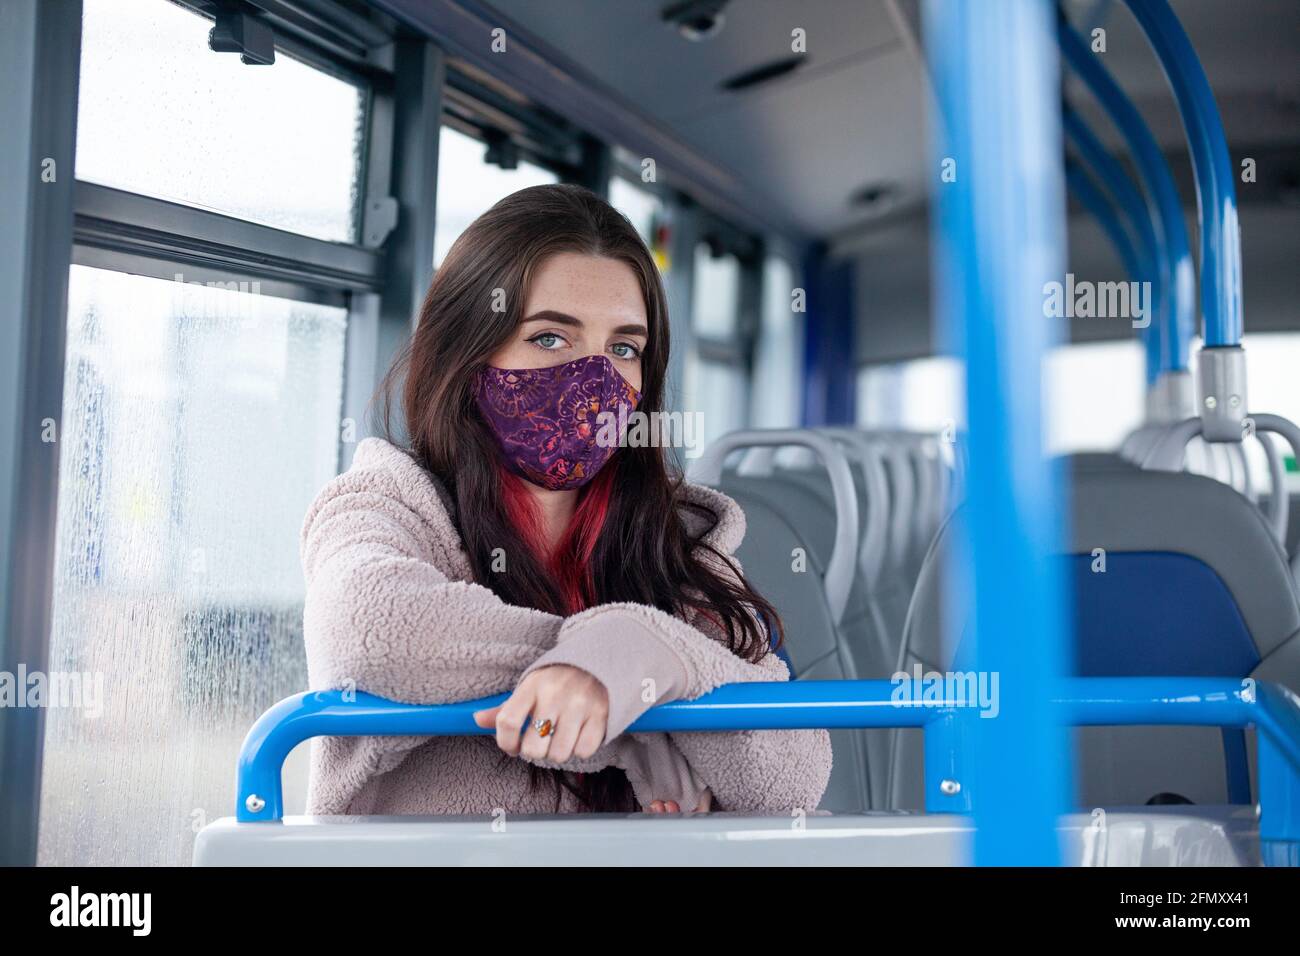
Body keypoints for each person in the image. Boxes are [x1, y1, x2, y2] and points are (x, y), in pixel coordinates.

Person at [301, 183, 832, 816]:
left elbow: (794, 775)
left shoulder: (681, 543)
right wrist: (635, 712)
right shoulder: (388, 505)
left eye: (624, 348)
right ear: (466, 352)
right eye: (550, 338)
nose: (596, 379)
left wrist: (640, 650)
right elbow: (375, 632)